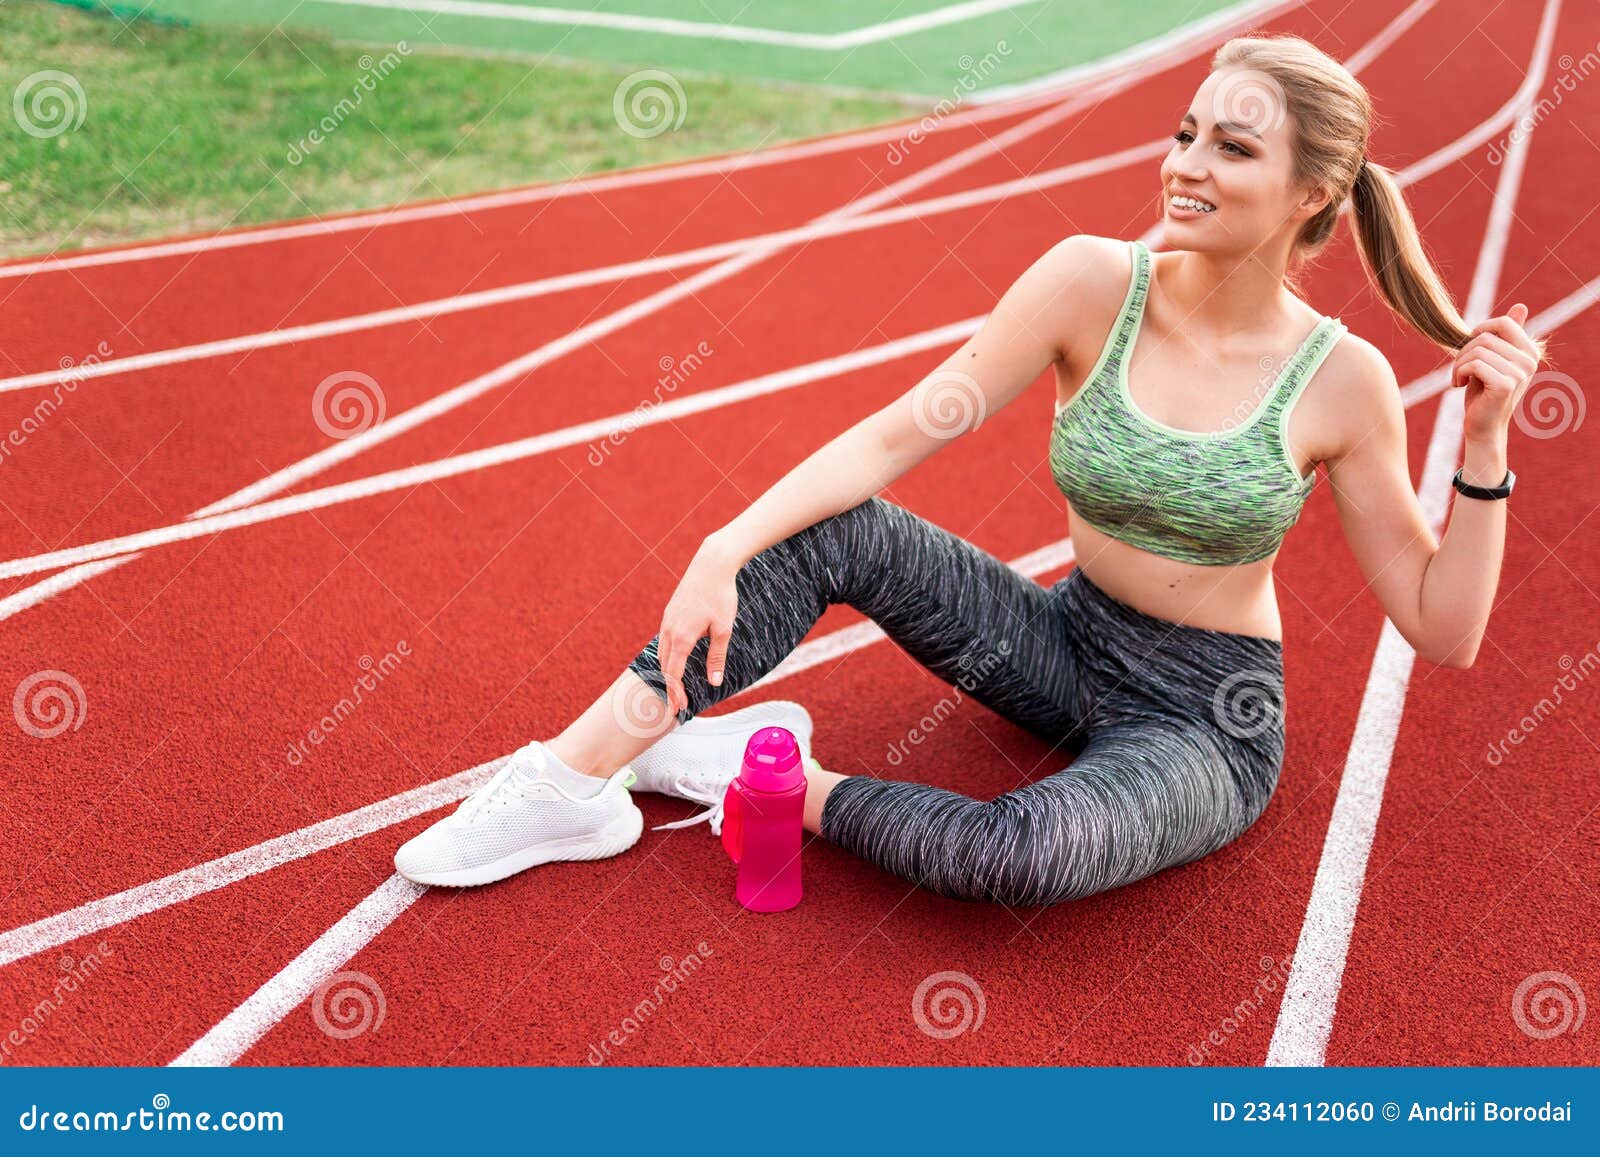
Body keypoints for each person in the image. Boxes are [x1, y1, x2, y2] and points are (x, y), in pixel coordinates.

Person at [394, 33, 1547, 904]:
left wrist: (1485, 449)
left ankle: (768, 774)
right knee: (834, 525)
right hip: (1060, 638)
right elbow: (896, 434)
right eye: (1185, 132)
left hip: (1203, 715)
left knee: (1014, 858)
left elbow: (1441, 630)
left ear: (1312, 197)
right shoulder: (1092, 282)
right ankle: (570, 776)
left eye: (1232, 148)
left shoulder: (1336, 382)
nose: (1185, 165)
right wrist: (721, 546)